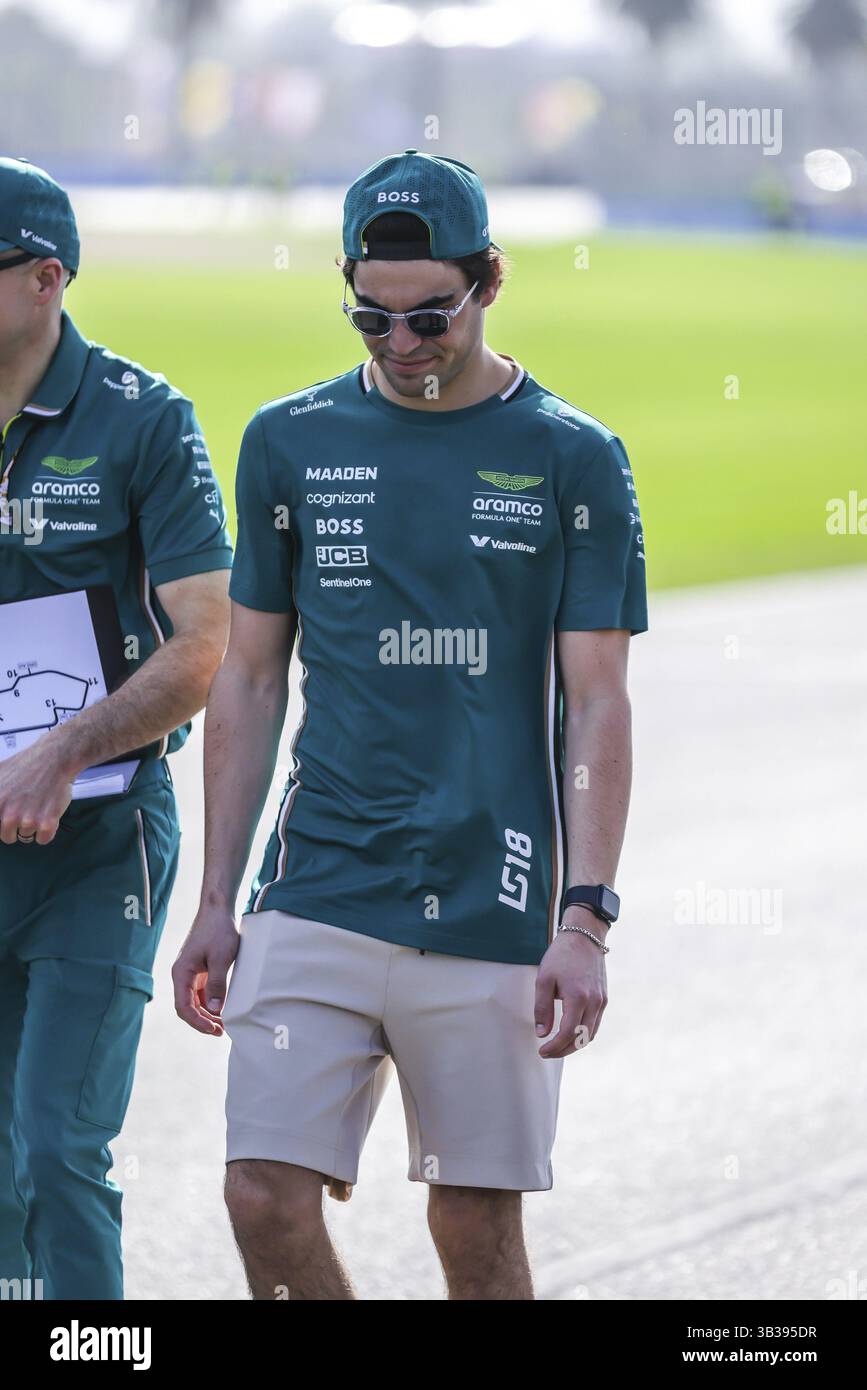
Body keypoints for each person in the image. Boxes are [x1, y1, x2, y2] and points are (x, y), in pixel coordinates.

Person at [173, 149, 648, 1301]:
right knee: (260, 1198)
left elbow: (596, 700)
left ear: (490, 282)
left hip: (492, 898)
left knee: (473, 1232)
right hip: (321, 877)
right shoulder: (286, 441)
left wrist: (584, 917)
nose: (399, 344)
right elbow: (247, 678)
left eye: (428, 315)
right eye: (368, 318)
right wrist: (218, 898)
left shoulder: (572, 455)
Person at [0, 156, 233, 1300]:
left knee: (55, 1147)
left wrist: (64, 749)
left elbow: (204, 645)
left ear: (46, 278)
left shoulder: (147, 420)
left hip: (98, 845)